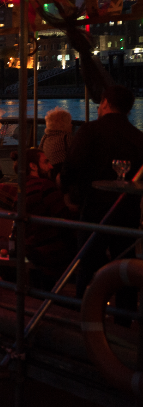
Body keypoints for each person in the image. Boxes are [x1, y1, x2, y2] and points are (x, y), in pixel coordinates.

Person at [61, 85, 143, 306]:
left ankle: (86, 313)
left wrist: (68, 194)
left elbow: (72, 166)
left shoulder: (90, 131)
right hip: (127, 210)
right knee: (124, 267)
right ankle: (124, 318)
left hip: (94, 207)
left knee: (87, 263)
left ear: (105, 103)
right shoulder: (138, 137)